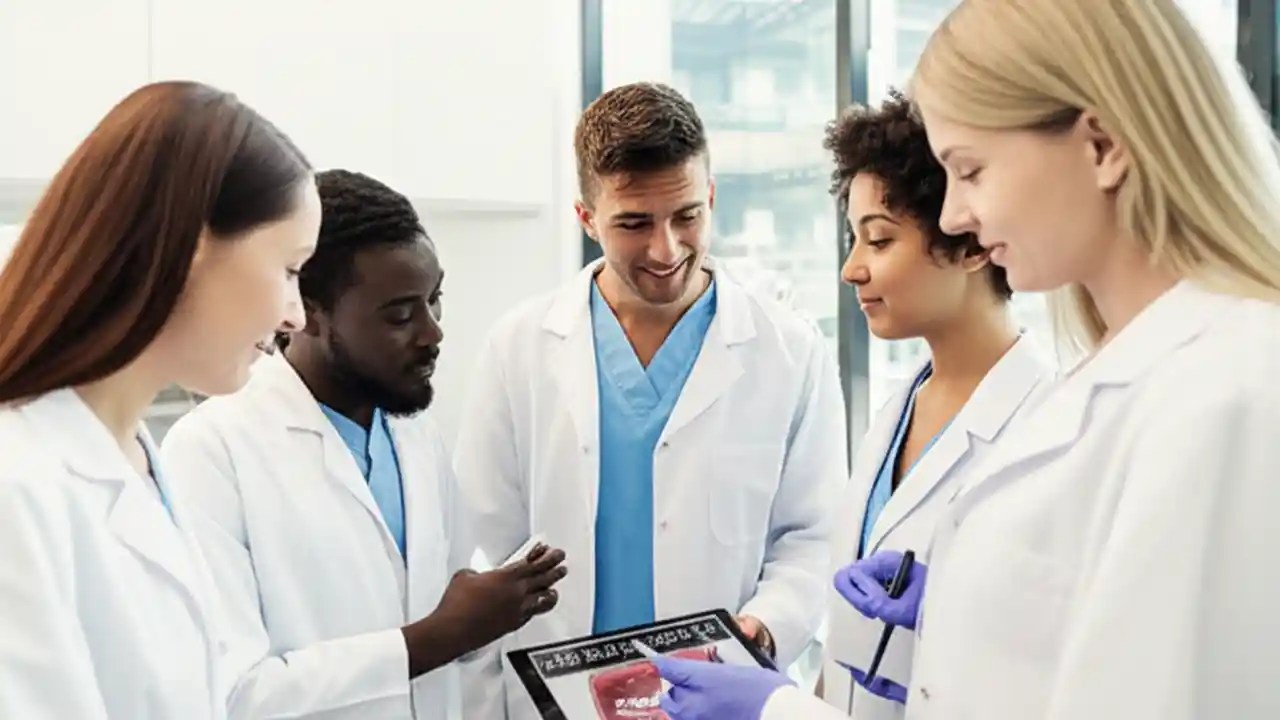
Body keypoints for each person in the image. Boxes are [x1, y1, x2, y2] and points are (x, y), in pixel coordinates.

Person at [657, 0, 1280, 718]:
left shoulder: (1221, 397)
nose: (953, 218)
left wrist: (777, 713)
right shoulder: (1129, 373)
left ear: (1103, 147)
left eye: (971, 170)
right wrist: (972, 629)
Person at [454, 81, 848, 718]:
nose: (666, 249)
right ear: (586, 218)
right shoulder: (519, 348)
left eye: (687, 215)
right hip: (554, 698)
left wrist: (766, 627)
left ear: (712, 196)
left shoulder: (790, 351)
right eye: (634, 223)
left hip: (719, 694)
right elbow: (482, 545)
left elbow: (814, 534)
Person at [160, 169, 566, 719]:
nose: (432, 332)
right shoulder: (210, 451)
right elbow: (235, 695)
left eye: (434, 300)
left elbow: (450, 618)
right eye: (400, 314)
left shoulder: (413, 428)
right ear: (308, 313)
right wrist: (437, 636)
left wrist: (492, 613)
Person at [0, 81, 319, 718]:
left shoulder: (139, 462)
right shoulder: (19, 485)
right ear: (189, 245)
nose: (296, 316)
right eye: (289, 268)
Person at [818, 90, 1054, 717]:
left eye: (879, 241)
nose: (851, 269)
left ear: (972, 243)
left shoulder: (1046, 427)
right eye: (853, 238)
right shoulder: (899, 408)